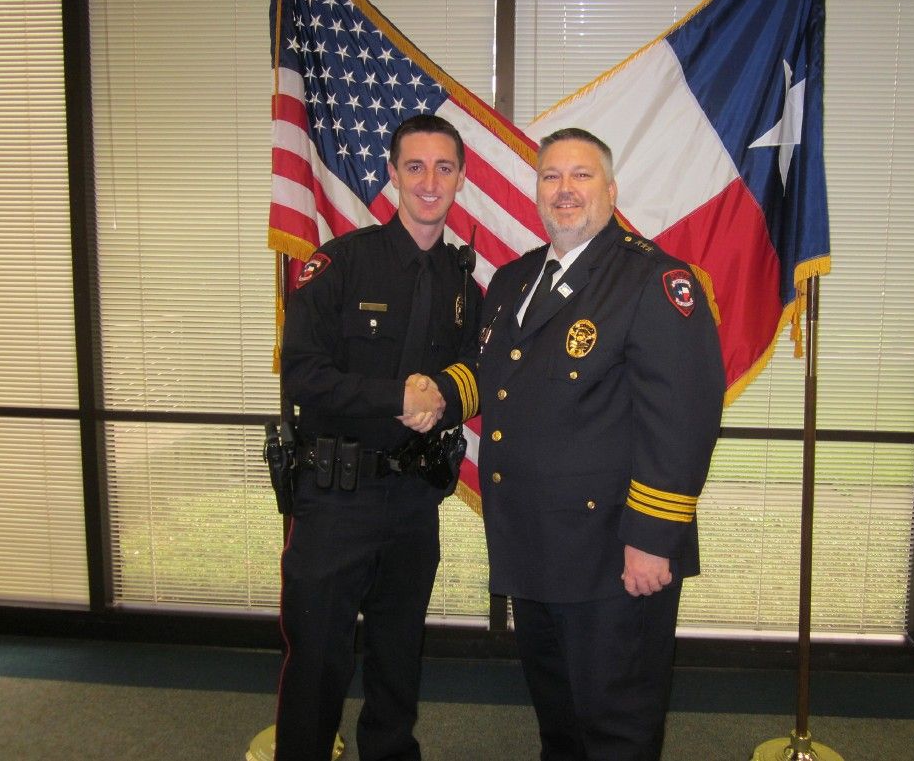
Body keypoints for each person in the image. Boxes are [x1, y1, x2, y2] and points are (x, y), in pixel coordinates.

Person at [474, 127, 724, 760]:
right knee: (559, 724)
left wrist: (651, 539)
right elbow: (496, 386)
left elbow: (683, 419)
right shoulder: (513, 281)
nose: (565, 190)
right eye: (552, 176)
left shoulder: (655, 281)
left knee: (616, 729)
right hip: (534, 549)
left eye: (581, 176)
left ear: (611, 191)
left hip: (614, 559)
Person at [274, 113, 481, 761]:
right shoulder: (338, 263)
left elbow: (478, 368)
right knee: (317, 661)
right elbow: (303, 377)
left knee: (398, 659)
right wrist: (397, 396)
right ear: (392, 175)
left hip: (414, 500)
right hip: (336, 498)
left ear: (460, 179)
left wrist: (442, 394)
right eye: (414, 166)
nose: (429, 181)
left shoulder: (463, 286)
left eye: (443, 168)